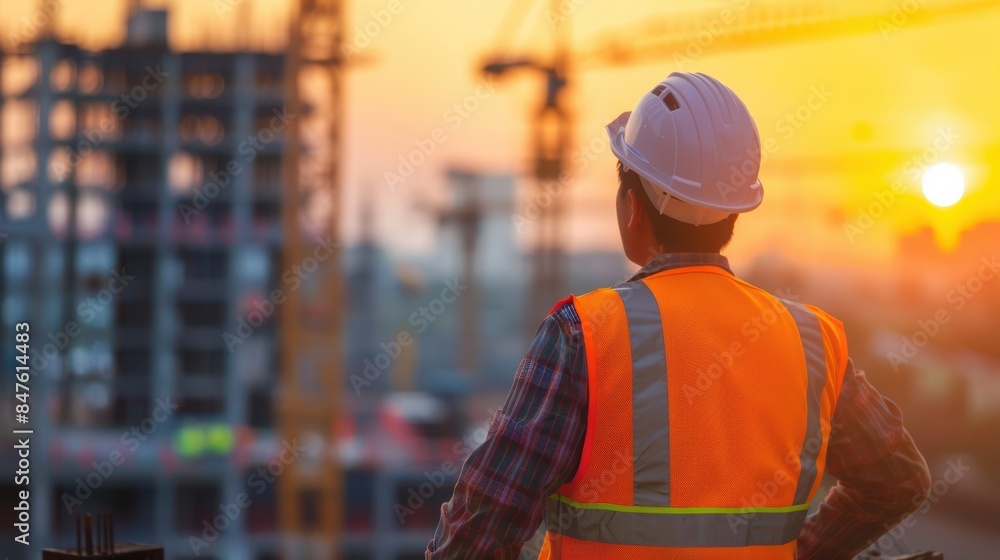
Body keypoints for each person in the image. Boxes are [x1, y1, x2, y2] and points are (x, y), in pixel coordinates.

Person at [425, 72, 931, 559]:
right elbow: (899, 480)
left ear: (632, 207)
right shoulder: (810, 342)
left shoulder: (584, 336)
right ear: (734, 212)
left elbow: (479, 532)